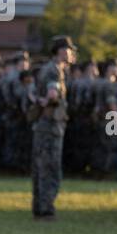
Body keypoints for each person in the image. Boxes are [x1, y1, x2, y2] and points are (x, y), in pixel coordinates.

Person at [29, 36, 77, 219]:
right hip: (50, 126)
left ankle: (39, 208)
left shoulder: (48, 69)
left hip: (44, 125)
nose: (71, 54)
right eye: (69, 50)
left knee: (41, 166)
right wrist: (49, 100)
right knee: (50, 168)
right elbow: (52, 94)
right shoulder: (54, 71)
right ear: (62, 51)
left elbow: (34, 94)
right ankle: (46, 209)